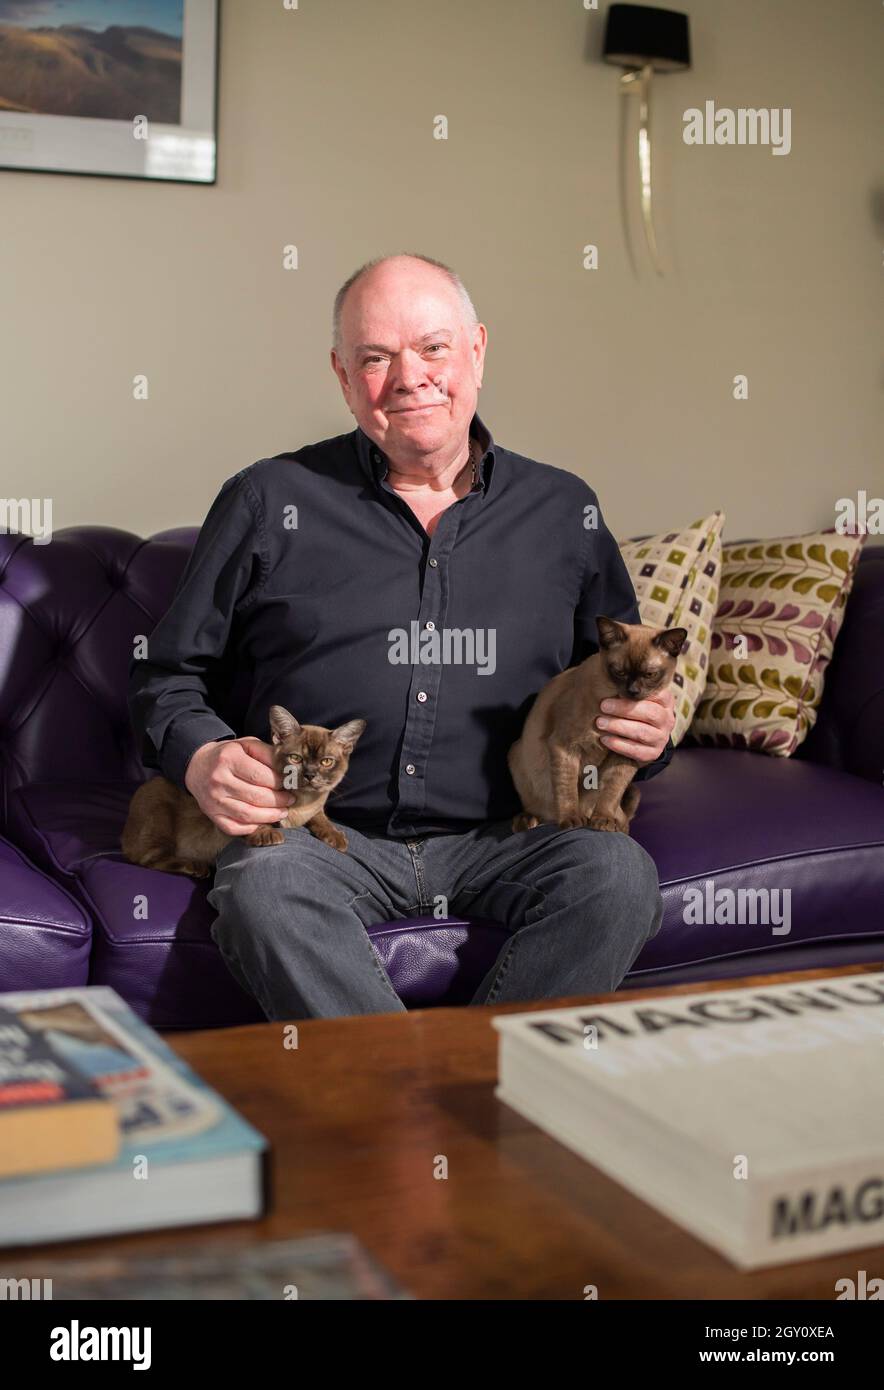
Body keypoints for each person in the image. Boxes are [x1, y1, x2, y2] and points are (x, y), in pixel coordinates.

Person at [128, 253, 675, 1020]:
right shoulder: (267, 499)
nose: (409, 376)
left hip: (510, 833)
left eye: (433, 347)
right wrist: (201, 756)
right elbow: (166, 675)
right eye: (376, 357)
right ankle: (425, 1112)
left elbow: (622, 686)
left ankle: (457, 1102)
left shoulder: (565, 512)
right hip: (315, 837)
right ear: (343, 376)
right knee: (263, 888)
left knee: (617, 879)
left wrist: (651, 732)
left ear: (477, 351)